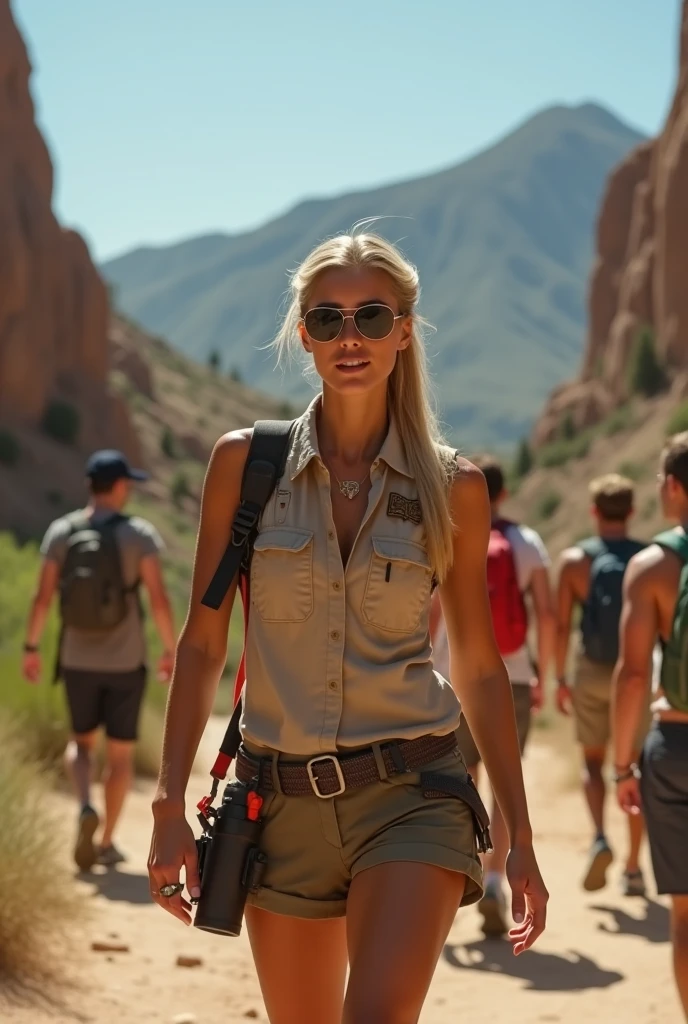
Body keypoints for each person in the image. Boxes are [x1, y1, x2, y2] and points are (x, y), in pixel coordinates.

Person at [148, 231, 548, 1023]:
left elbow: (478, 666)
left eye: (371, 316)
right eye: (327, 319)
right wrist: (167, 806)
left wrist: (522, 838)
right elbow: (201, 644)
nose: (350, 337)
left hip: (412, 796)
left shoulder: (453, 487)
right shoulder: (244, 467)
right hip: (276, 804)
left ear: (404, 329)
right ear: (304, 335)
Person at [23, 449, 175, 871]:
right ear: (121, 486)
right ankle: (106, 840)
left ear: (90, 485)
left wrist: (31, 648)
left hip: (77, 660)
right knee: (120, 757)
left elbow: (42, 598)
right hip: (126, 662)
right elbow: (158, 600)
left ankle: (85, 805)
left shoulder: (62, 531)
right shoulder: (139, 534)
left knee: (81, 743)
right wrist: (170, 649)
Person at [430, 454, 555, 938]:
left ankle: (461, 876)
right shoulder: (526, 543)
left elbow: (432, 608)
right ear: (503, 493)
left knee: (461, 778)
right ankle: (499, 876)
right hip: (514, 674)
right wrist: (546, 673)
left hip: (452, 675)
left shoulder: (449, 534)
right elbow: (545, 613)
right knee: (505, 781)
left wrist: (424, 664)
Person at [613, 433, 688, 1020]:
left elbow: (634, 675)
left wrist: (622, 767)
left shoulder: (654, 566)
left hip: (677, 748)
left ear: (675, 486)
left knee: (684, 912)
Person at [555, 474, 648, 895]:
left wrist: (559, 678)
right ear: (631, 511)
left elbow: (561, 625)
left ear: (594, 512)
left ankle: (598, 837)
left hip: (591, 671)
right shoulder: (650, 559)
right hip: (637, 670)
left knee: (592, 761)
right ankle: (634, 867)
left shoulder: (575, 560)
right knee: (634, 766)